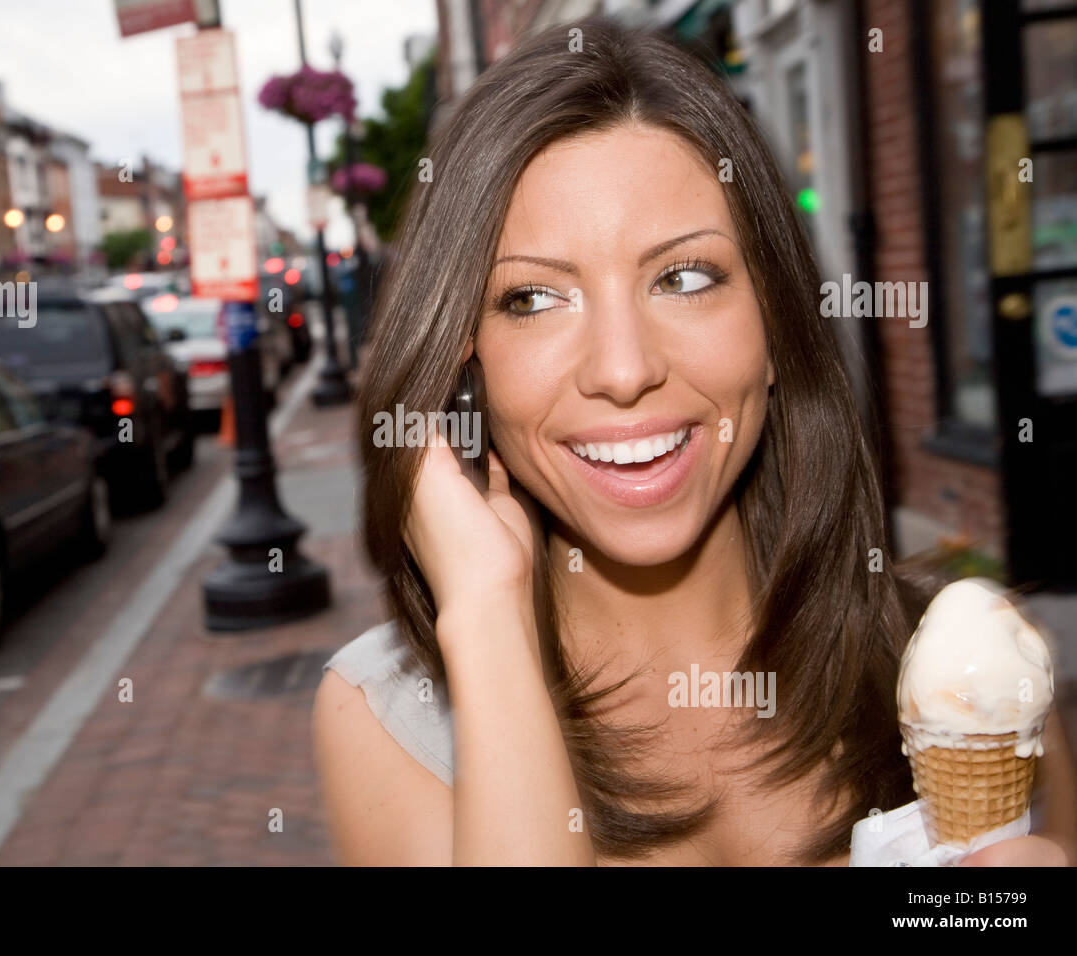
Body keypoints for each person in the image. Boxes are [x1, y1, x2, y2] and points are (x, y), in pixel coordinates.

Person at [312, 17, 1076, 866]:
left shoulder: (974, 669)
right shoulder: (390, 717)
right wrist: (486, 614)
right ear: (463, 367)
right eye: (533, 298)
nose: (624, 368)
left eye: (683, 278)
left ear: (776, 325)